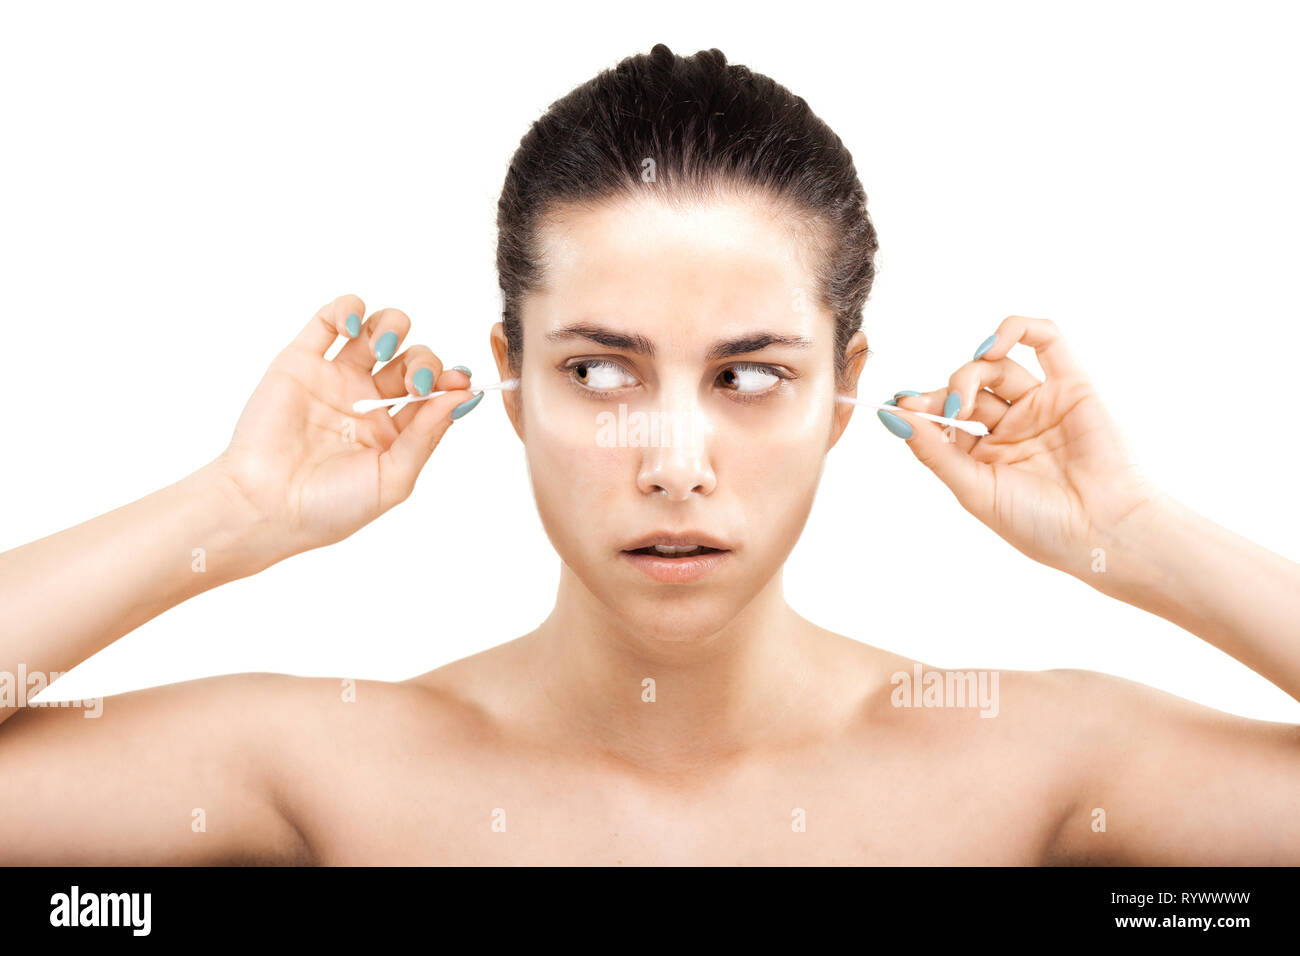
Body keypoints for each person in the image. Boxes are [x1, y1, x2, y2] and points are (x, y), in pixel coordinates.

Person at [2, 44, 1297, 865]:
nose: (675, 458)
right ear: (509, 383)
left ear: (846, 390)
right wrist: (231, 511)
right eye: (601, 371)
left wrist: (1135, 533)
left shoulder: (1037, 767)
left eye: (748, 375)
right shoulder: (330, 771)